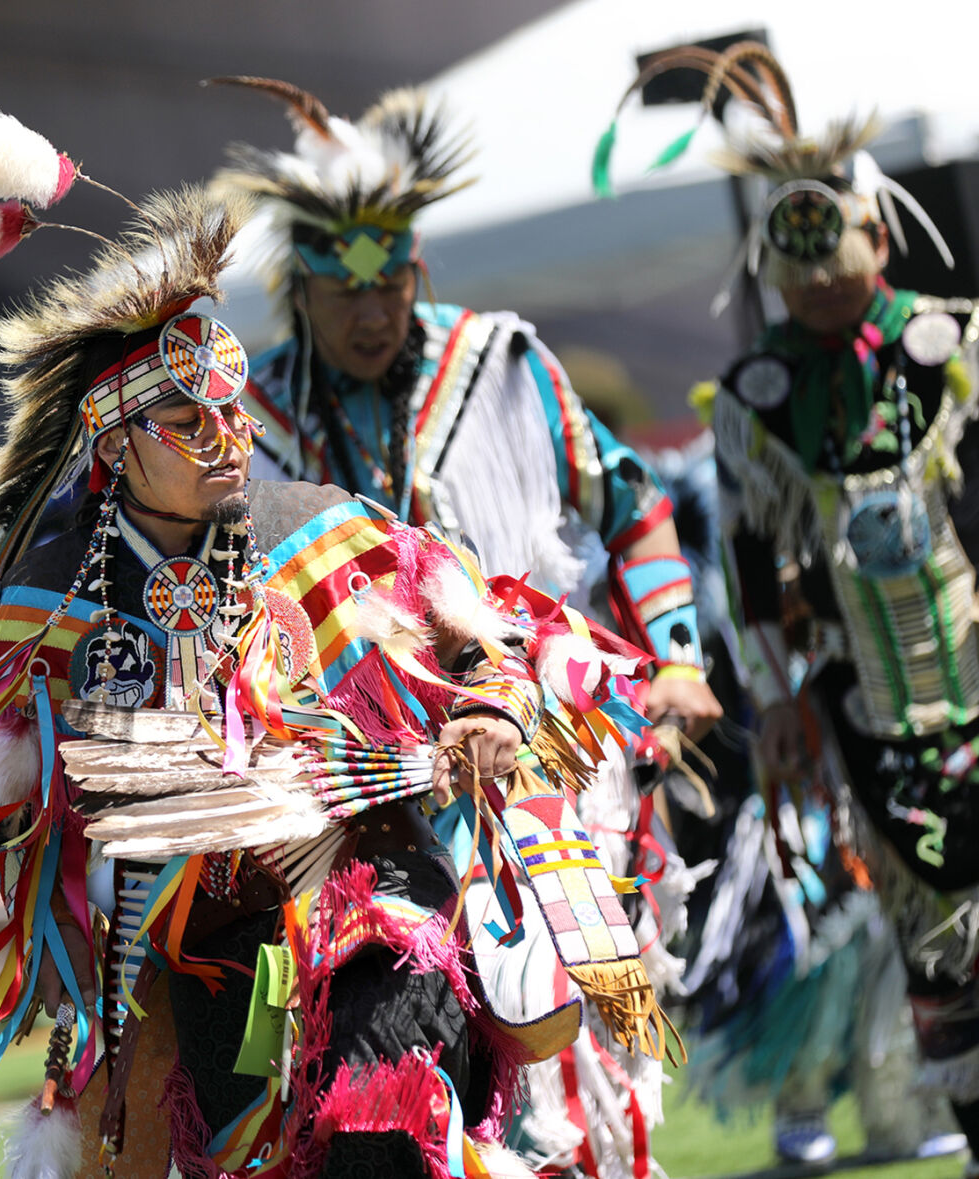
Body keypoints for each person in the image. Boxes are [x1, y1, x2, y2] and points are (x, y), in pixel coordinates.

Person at [0, 102, 674, 1177]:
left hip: (377, 902)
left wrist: (491, 711)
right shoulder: (48, 593)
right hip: (203, 955)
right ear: (113, 436)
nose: (228, 438)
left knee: (385, 1140)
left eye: (233, 408)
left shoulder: (313, 527)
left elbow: (486, 632)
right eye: (189, 421)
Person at [210, 77, 722, 1178]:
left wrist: (676, 661)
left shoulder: (500, 365)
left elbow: (629, 505)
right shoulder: (255, 425)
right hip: (368, 774)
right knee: (394, 1036)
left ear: (414, 271)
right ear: (297, 288)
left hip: (536, 740)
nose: (368, 311)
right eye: (341, 290)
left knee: (559, 1025)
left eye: (387, 282)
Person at [602, 41, 979, 1179]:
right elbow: (753, 563)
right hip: (862, 705)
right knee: (923, 932)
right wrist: (783, 694)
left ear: (879, 235)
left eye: (831, 246)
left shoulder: (953, 340)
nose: (812, 278)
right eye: (788, 255)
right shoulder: (756, 397)